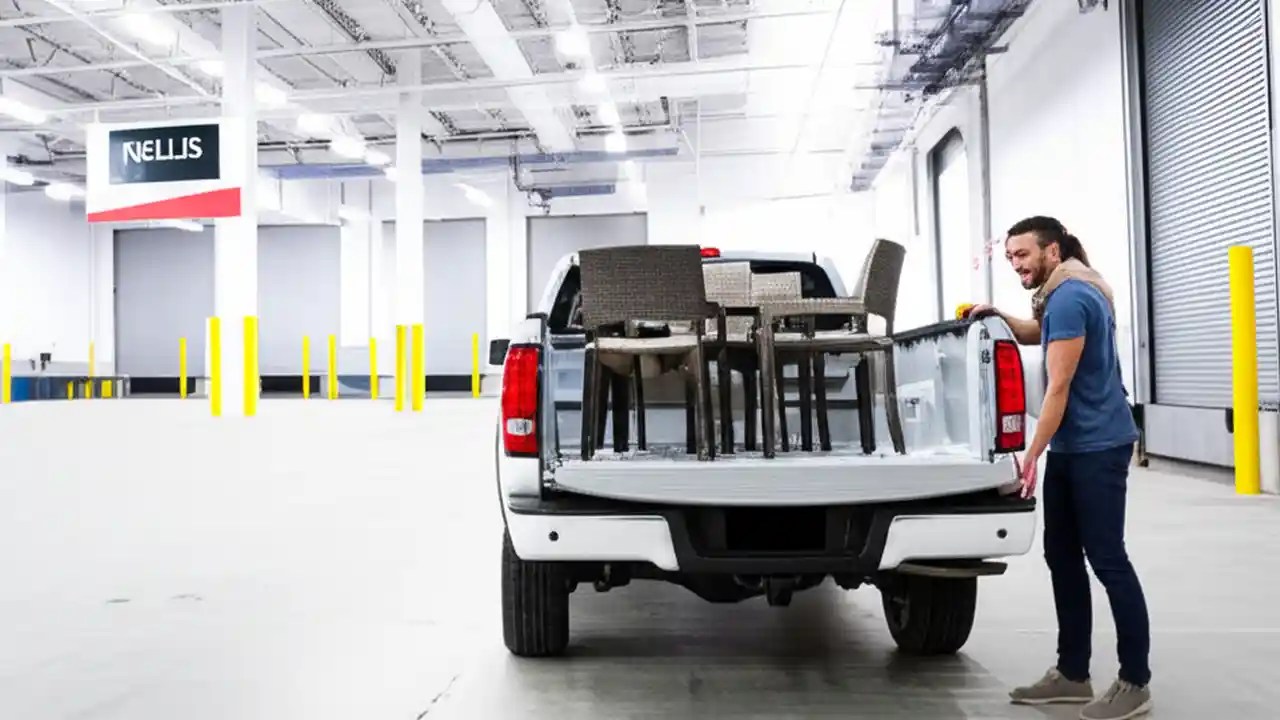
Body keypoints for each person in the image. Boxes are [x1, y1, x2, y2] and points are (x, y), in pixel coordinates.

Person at [968, 216, 1152, 720]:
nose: (1016, 264)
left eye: (1023, 255)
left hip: (1098, 445)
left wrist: (1030, 454)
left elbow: (1058, 384)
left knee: (1108, 560)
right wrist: (999, 316)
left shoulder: (1070, 296)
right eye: (1009, 257)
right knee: (1063, 556)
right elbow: (1040, 333)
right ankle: (1073, 674)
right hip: (1076, 445)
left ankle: (1135, 682)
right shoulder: (1063, 290)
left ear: (1051, 251)